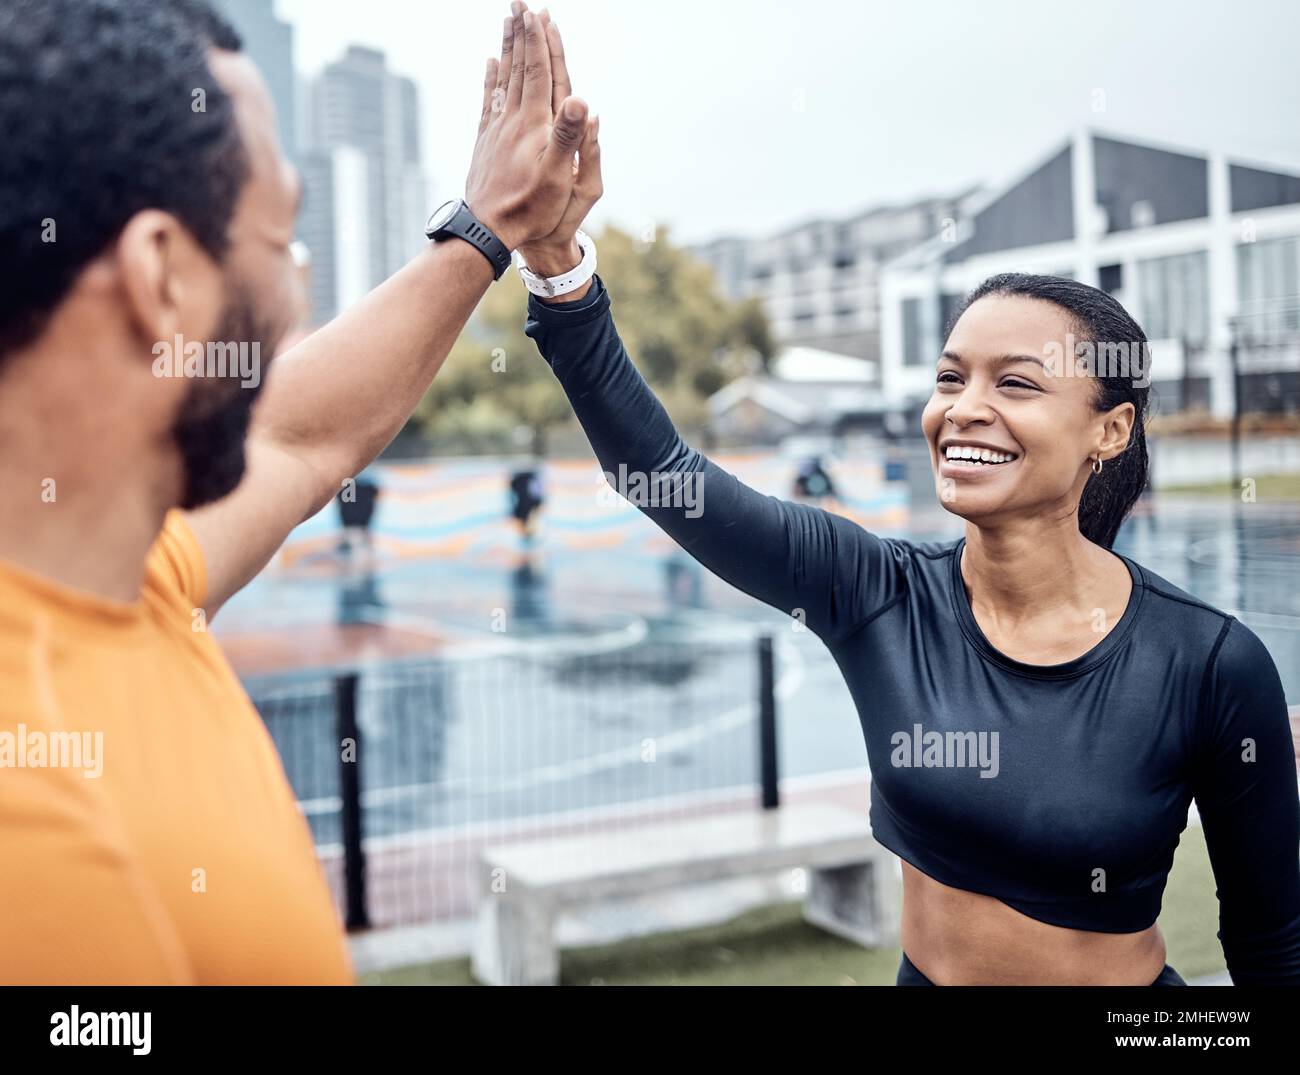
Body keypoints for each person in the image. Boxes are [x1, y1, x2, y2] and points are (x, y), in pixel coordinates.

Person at [518, 175, 1300, 984]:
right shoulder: (875, 592)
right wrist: (557, 270)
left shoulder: (1208, 663)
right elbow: (658, 470)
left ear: (1110, 428)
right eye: (951, 377)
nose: (963, 407)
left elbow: (1273, 945)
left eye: (1017, 382)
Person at [0, 0, 592, 983]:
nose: (294, 296)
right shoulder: (44, 840)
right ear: (161, 277)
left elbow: (303, 432)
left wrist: (488, 229)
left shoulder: (126, 579)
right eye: (282, 241)